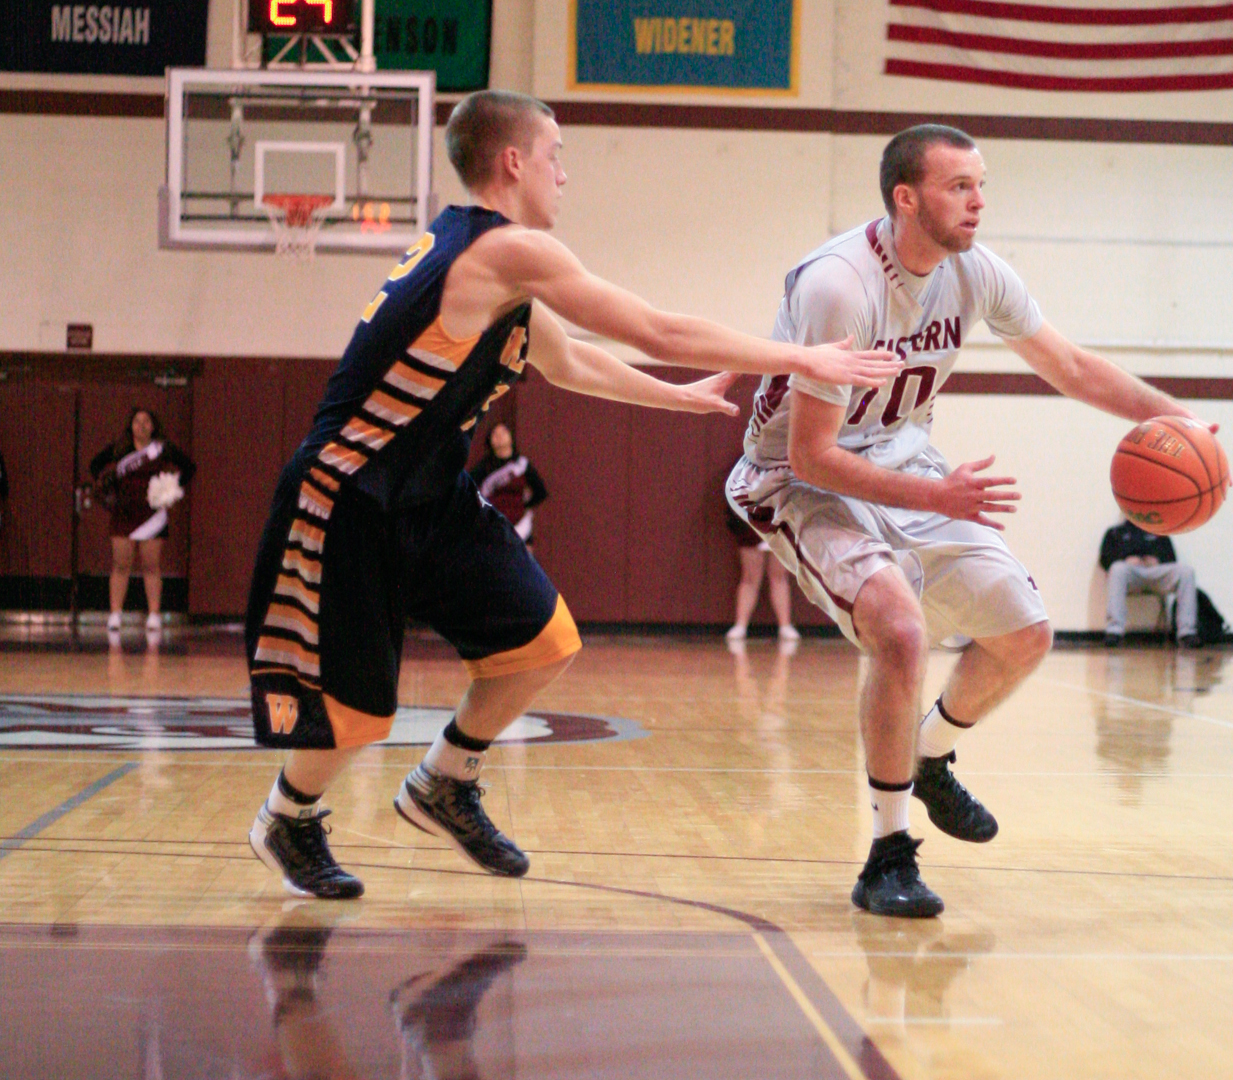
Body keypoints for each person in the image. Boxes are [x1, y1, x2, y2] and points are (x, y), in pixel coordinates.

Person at [242, 89, 902, 900]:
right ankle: (288, 817)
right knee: (354, 718)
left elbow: (571, 363)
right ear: (514, 162)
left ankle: (443, 781)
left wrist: (683, 399)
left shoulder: (501, 272)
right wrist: (803, 358)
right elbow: (652, 329)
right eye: (556, 155)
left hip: (430, 495)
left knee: (543, 641)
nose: (566, 173)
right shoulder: (501, 251)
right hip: (351, 495)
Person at [725, 124, 1210, 918]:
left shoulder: (975, 273)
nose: (979, 202)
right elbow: (813, 459)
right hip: (795, 480)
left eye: (982, 185)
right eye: (960, 187)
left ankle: (930, 753)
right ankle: (887, 854)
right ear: (905, 198)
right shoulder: (840, 284)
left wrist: (1180, 422)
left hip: (903, 460)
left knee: (1025, 632)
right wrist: (938, 499)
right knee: (900, 631)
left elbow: (1075, 367)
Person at [88, 408, 196, 633]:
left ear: (154, 425)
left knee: (151, 566)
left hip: (152, 514)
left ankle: (154, 615)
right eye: (137, 421)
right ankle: (115, 614)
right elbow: (95, 465)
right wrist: (108, 487)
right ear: (131, 426)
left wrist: (172, 488)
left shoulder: (163, 449)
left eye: (147, 421)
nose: (142, 425)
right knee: (120, 564)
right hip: (124, 513)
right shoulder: (119, 449)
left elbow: (189, 467)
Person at [1099, 518, 1199, 648]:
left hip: (1156, 574)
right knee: (1117, 569)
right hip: (1131, 575)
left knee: (1186, 571)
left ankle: (1187, 633)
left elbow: (1172, 558)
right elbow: (1105, 560)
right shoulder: (1115, 532)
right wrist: (1126, 560)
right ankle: (1114, 631)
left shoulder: (1160, 530)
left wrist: (1157, 560)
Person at [723, 487, 798, 641]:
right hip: (751, 529)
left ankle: (785, 625)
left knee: (779, 577)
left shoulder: (783, 474)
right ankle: (740, 625)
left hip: (779, 528)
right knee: (750, 578)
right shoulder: (746, 473)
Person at [468, 423, 548, 542]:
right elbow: (468, 488)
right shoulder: (484, 467)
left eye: (503, 432)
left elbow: (541, 492)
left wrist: (524, 505)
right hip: (494, 525)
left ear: (511, 437)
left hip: (520, 526)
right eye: (495, 434)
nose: (499, 437)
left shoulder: (522, 465)